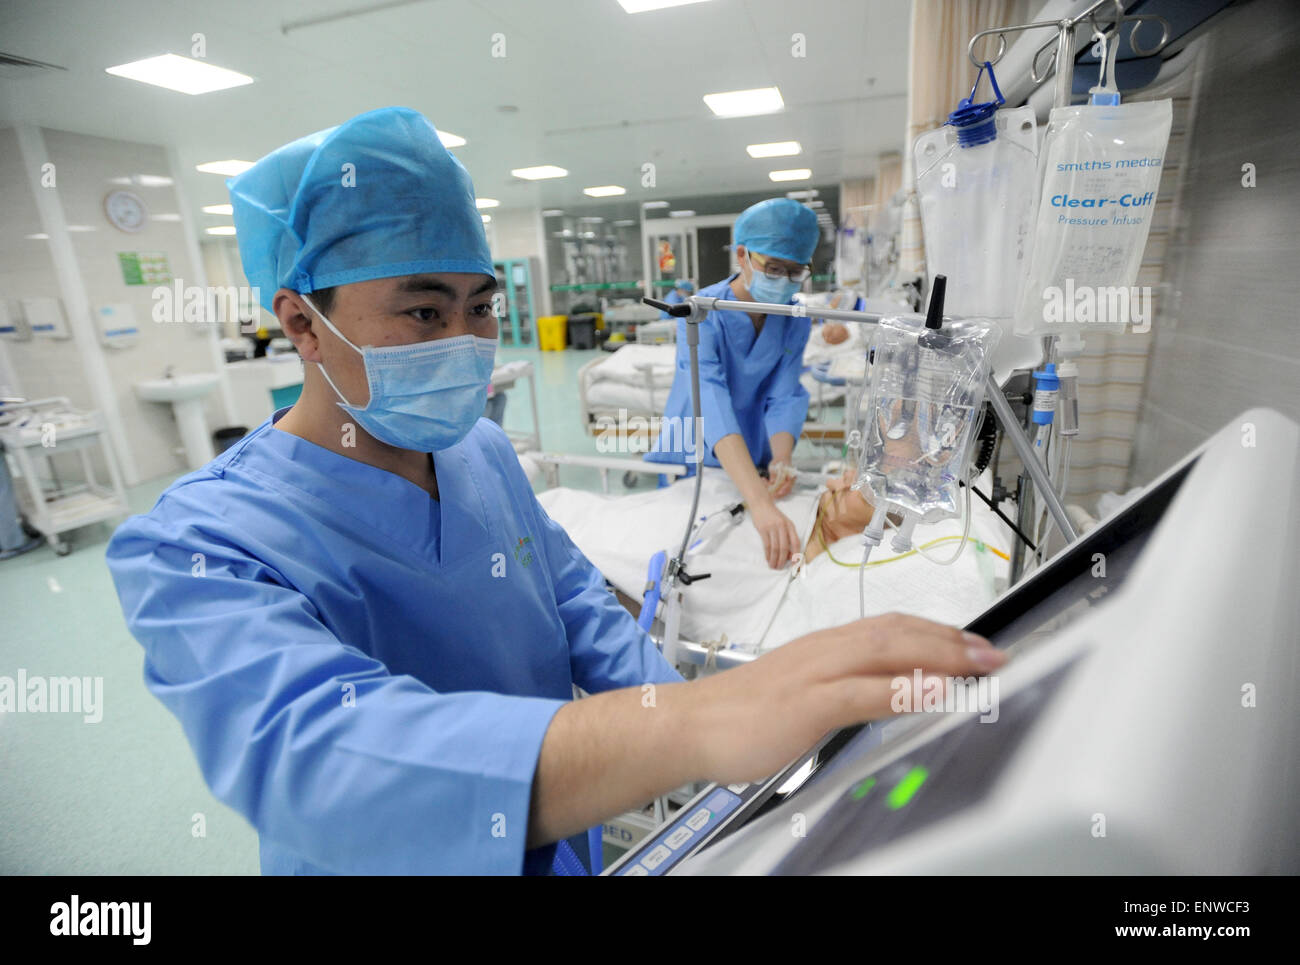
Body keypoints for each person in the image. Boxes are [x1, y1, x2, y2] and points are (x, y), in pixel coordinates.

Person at [106, 107, 1004, 876]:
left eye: (481, 305)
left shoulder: (482, 452)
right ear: (302, 321)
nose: (466, 339)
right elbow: (314, 754)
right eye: (425, 311)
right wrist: (696, 724)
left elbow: (574, 600)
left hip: (557, 840)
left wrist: (689, 721)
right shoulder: (201, 544)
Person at [648, 198, 819, 570]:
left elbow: (785, 394)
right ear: (742, 255)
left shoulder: (794, 316)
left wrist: (782, 458)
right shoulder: (701, 312)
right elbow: (710, 398)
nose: (785, 282)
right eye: (774, 268)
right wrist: (759, 503)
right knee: (689, 545)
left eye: (796, 272)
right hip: (695, 449)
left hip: (753, 451)